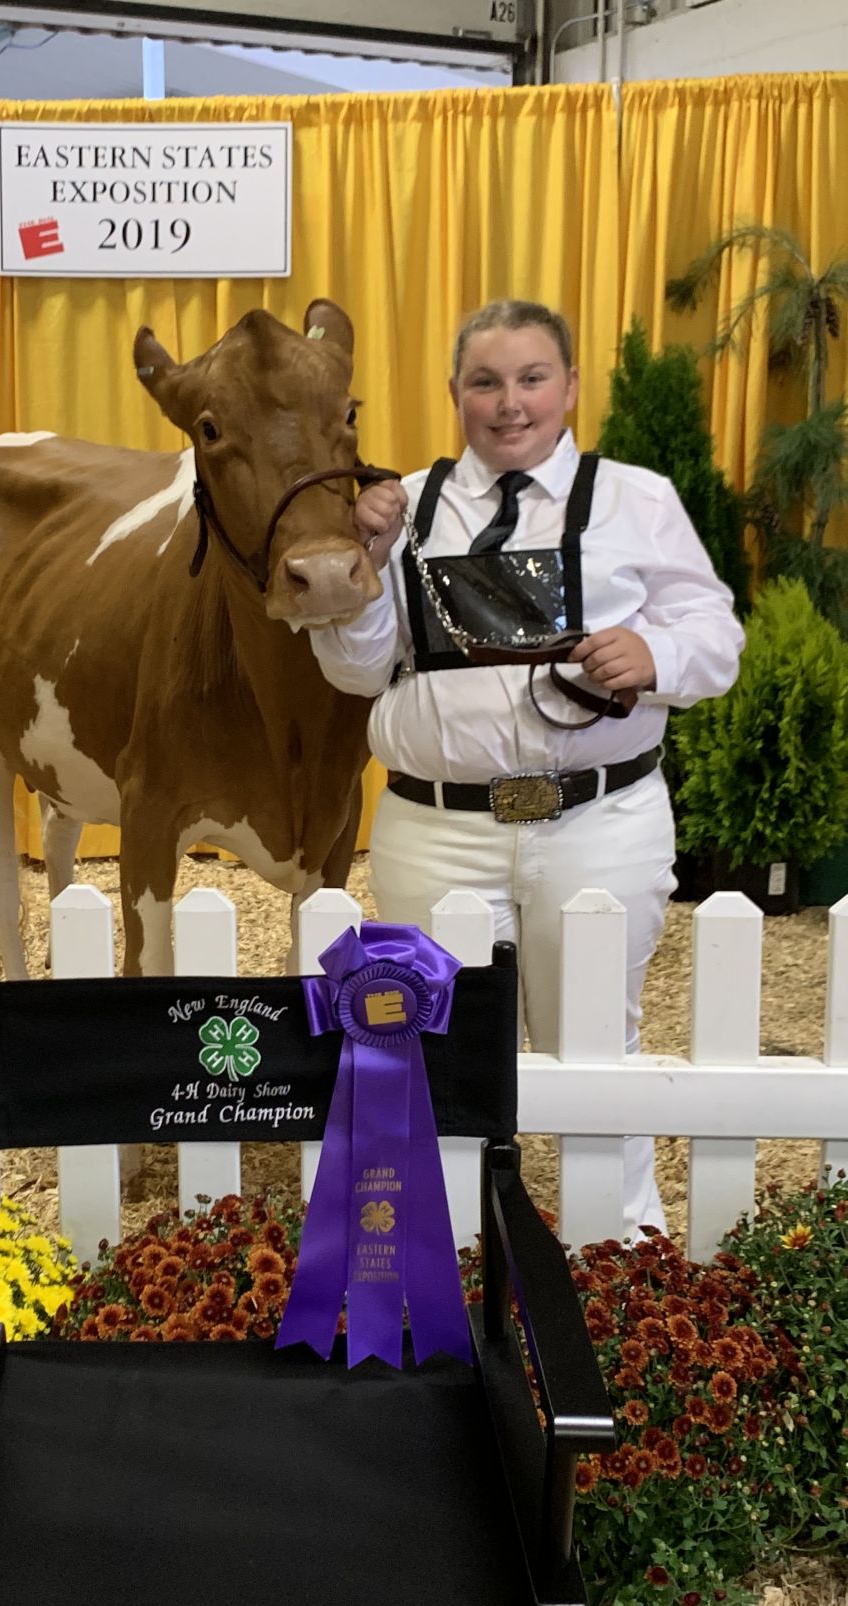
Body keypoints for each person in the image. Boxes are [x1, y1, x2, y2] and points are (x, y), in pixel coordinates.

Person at [311, 298, 745, 1238]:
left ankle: (618, 1263)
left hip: (596, 825)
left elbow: (718, 638)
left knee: (596, 1049)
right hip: (435, 832)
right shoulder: (405, 507)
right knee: (439, 1055)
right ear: (455, 394)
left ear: (569, 387)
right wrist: (363, 565)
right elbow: (354, 670)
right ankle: (454, 1265)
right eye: (484, 382)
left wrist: (656, 657)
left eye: (531, 378)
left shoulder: (636, 499)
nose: (509, 404)